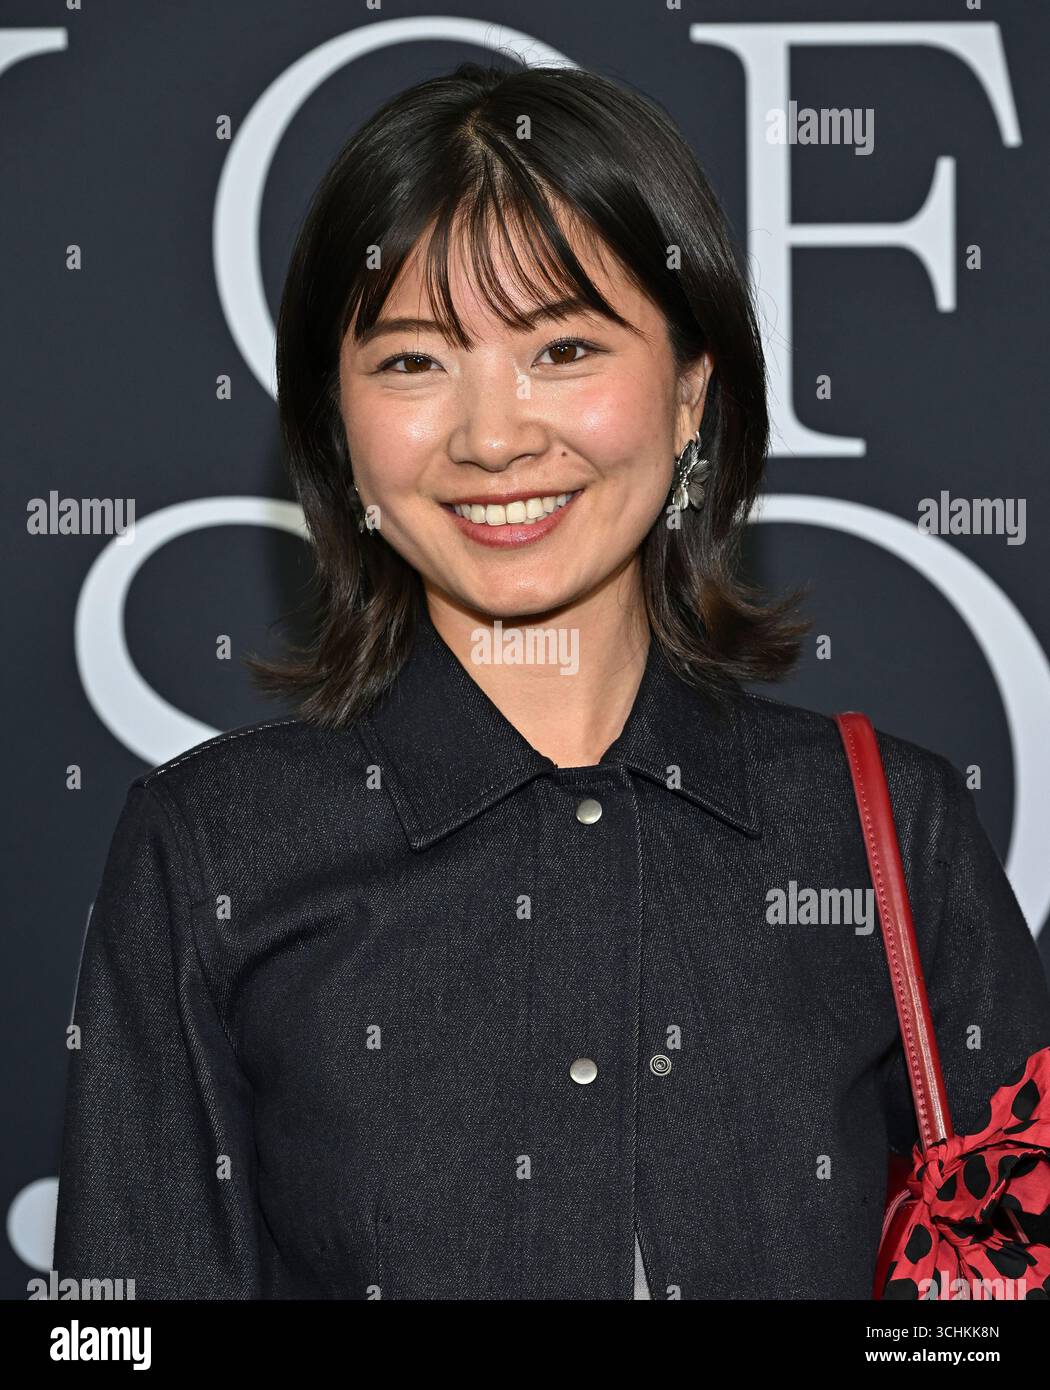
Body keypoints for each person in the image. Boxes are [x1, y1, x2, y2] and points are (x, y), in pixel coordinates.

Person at [53, 58, 1050, 1300]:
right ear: (338, 425)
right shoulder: (210, 851)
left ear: (694, 390)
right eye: (415, 362)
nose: (492, 435)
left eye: (565, 346)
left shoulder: (885, 830)